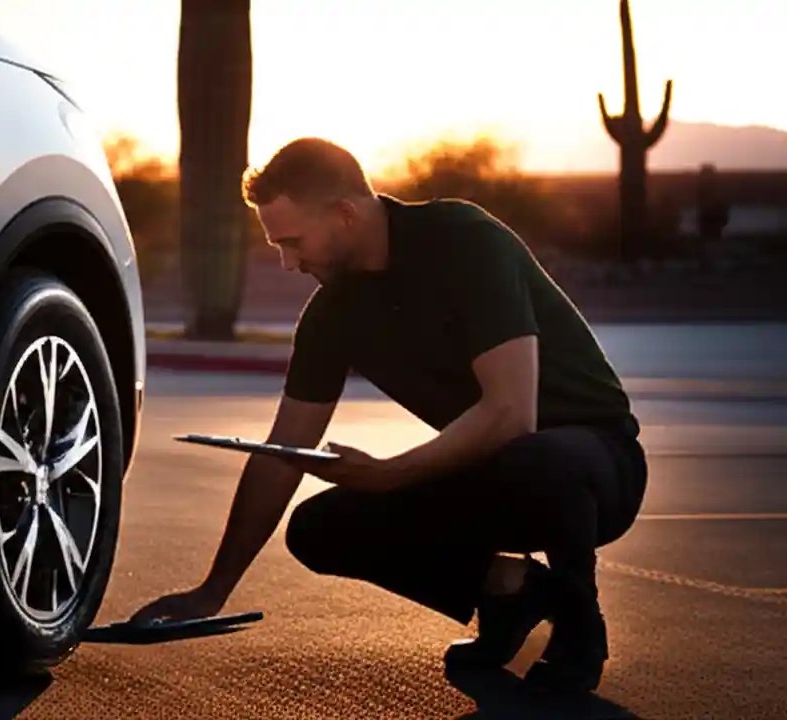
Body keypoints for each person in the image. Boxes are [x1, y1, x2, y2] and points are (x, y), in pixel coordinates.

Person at [130, 137, 648, 694]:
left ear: (345, 214)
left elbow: (511, 413)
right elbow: (282, 454)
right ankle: (508, 588)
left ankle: (578, 623)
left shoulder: (463, 241)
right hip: (492, 471)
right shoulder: (331, 315)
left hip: (595, 467)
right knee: (319, 528)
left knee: (540, 456)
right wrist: (212, 591)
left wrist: (390, 473)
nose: (288, 262)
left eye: (292, 241)